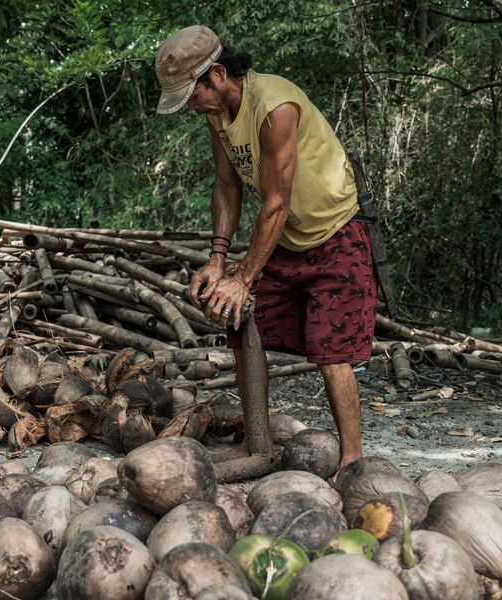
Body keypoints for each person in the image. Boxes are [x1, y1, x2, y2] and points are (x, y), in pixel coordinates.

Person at [154, 25, 377, 473]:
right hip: (286, 239)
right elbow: (226, 185)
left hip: (336, 233)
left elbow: (276, 202)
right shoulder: (217, 115)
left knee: (330, 351)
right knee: (242, 320)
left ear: (216, 74)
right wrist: (217, 261)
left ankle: (353, 462)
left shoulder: (275, 107)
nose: (191, 107)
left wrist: (243, 278)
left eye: (191, 95)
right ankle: (256, 444)